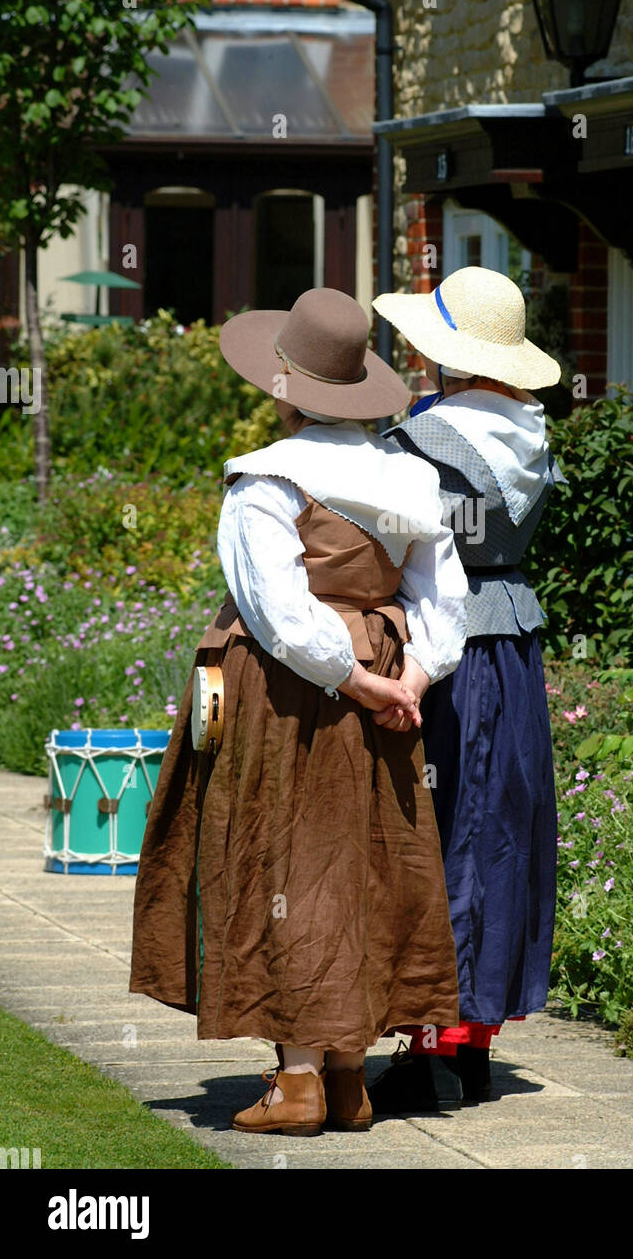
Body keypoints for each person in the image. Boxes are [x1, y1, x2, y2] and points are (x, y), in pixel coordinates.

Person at [129, 287, 467, 1136]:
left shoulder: (267, 478)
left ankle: (303, 1081)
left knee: (285, 862)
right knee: (363, 863)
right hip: (386, 685)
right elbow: (444, 602)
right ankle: (351, 1076)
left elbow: (279, 615)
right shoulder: (410, 476)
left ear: (286, 387)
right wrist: (410, 682)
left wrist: (356, 682)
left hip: (288, 695)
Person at [368, 265, 563, 1111]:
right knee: (500, 830)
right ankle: (474, 1042)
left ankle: (422, 1044)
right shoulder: (533, 431)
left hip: (442, 644)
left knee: (432, 828)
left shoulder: (423, 439)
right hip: (514, 644)